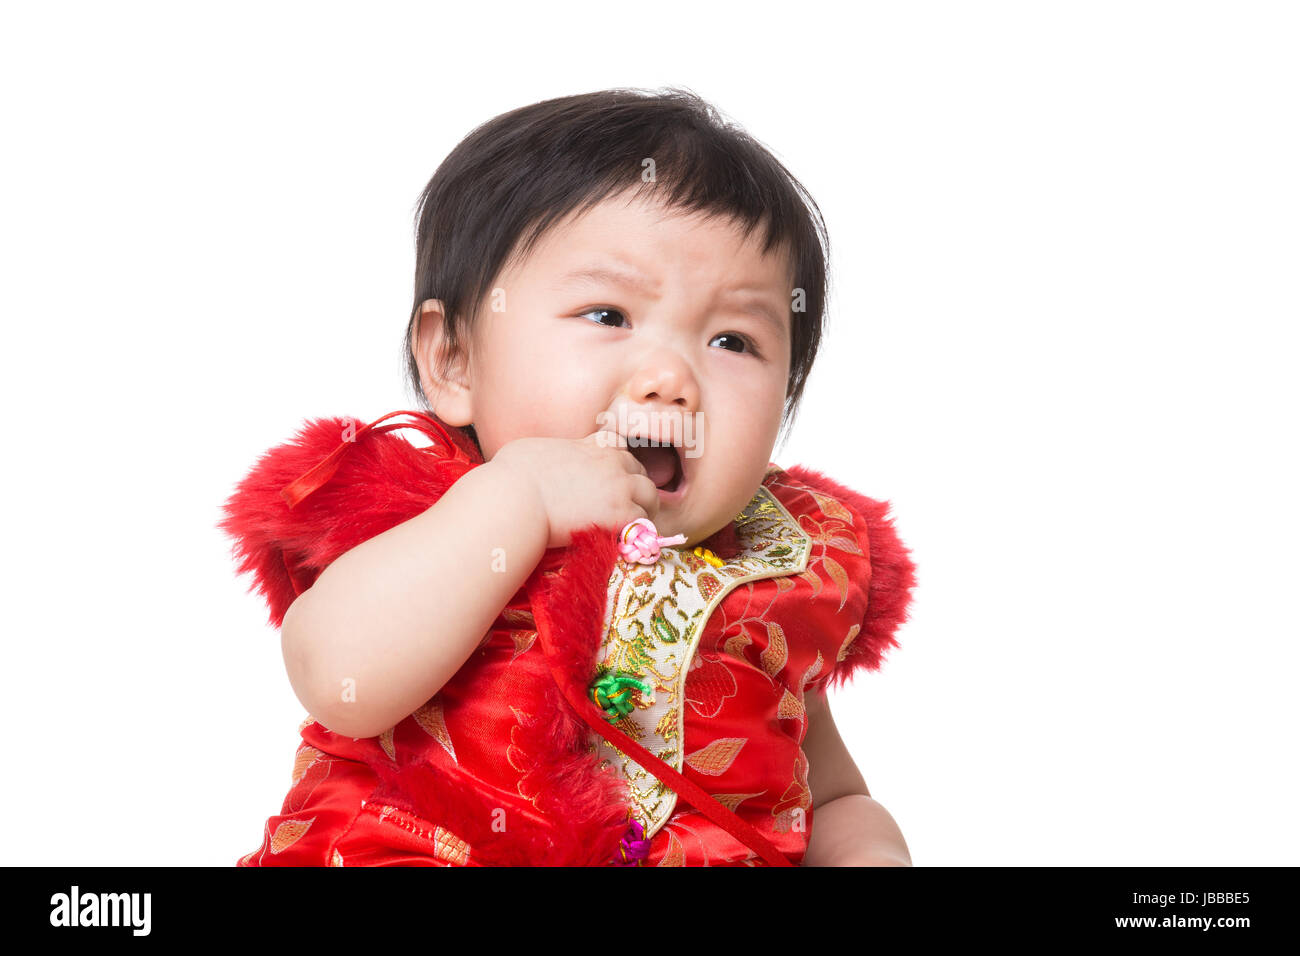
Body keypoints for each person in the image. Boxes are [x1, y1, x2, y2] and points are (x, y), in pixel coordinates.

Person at [220, 87, 917, 866]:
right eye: (608, 316)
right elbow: (336, 672)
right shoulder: (429, 517)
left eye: (732, 340)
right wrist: (513, 500)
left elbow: (833, 797)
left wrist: (867, 851)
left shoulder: (772, 573)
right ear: (452, 360)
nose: (668, 376)